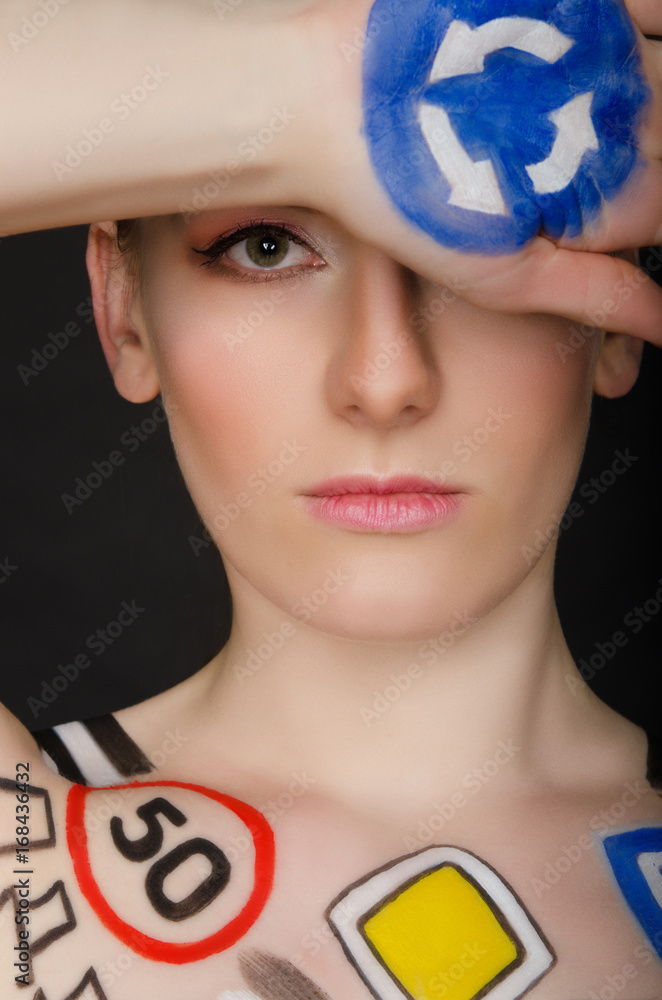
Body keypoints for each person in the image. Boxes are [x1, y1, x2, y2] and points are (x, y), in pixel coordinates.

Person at [1, 1, 662, 997]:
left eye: (484, 227)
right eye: (265, 246)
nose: (385, 376)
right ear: (124, 312)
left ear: (613, 310)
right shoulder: (25, 851)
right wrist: (310, 90)